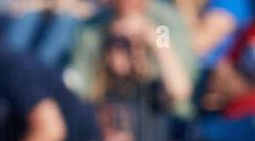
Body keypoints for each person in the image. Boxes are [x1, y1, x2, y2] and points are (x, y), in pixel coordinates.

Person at [67, 0, 198, 119]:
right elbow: (80, 90)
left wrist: (150, 34)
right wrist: (111, 45)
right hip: (109, 114)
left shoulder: (163, 22)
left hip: (165, 119)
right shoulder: (94, 28)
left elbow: (180, 89)